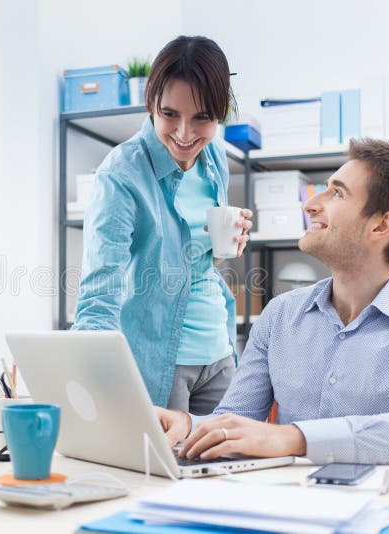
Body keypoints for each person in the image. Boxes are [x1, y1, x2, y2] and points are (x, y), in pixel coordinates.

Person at [156, 138, 389, 464]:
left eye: (337, 192)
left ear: (381, 224)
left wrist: (296, 438)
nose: (309, 205)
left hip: (380, 505)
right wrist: (186, 424)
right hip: (291, 500)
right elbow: (235, 419)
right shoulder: (280, 314)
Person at [72, 35, 253, 414]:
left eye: (202, 118)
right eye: (170, 114)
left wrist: (230, 240)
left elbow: (195, 260)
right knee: (163, 471)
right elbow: (99, 292)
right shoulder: (121, 175)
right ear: (152, 103)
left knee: (226, 470)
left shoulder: (214, 157)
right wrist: (94, 385)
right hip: (160, 365)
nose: (185, 135)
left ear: (219, 114)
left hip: (219, 353)